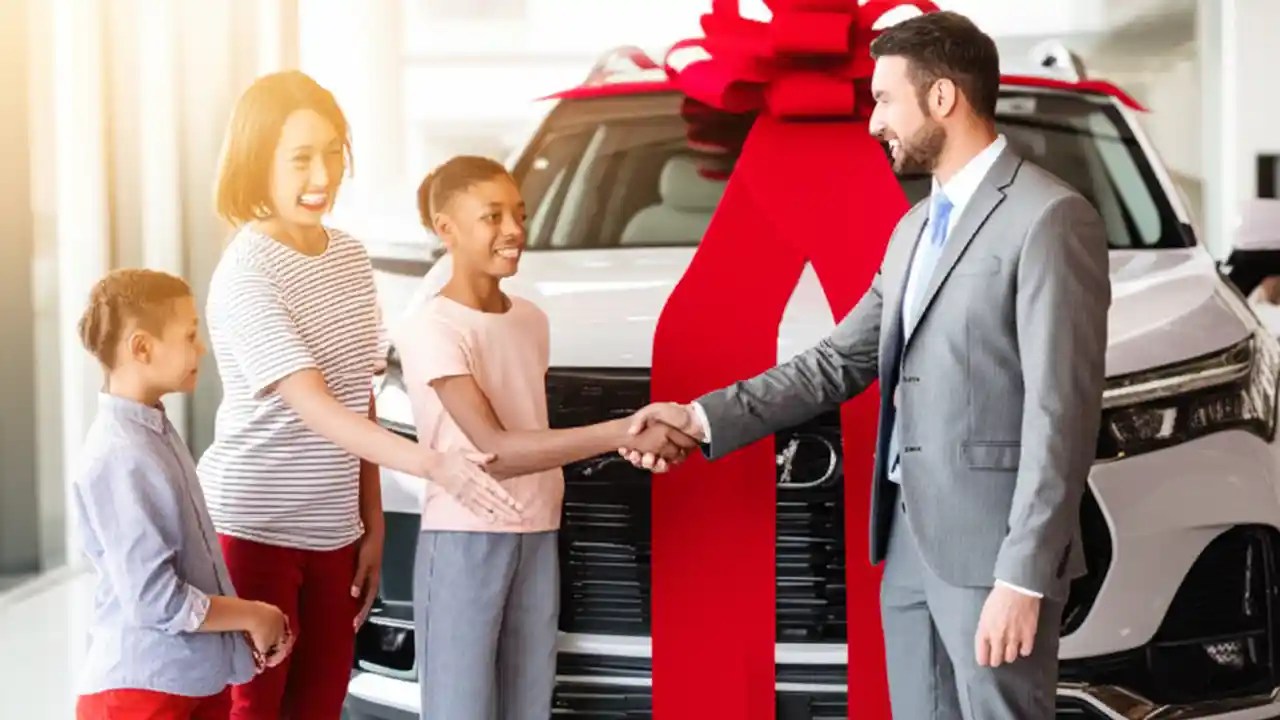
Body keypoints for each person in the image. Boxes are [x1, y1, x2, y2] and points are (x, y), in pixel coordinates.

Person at [622, 11, 1110, 719]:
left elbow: (1060, 413)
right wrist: (698, 419)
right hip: (909, 543)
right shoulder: (914, 227)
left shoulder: (1050, 218)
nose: (874, 121)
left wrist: (1025, 576)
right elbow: (838, 361)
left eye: (884, 99)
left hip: (991, 554)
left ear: (942, 98)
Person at [199, 72, 521, 720]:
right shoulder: (246, 273)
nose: (322, 175)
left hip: (333, 537)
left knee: (321, 704)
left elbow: (357, 396)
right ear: (257, 162)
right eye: (300, 158)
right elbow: (314, 405)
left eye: (332, 152)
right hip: (252, 530)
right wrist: (433, 464)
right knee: (252, 709)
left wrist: (368, 526)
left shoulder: (347, 256)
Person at [395, 156, 695, 719]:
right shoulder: (431, 326)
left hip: (539, 527)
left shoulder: (530, 318)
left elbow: (531, 427)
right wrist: (617, 432)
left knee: (528, 707)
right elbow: (496, 451)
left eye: (519, 213)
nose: (513, 230)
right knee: (460, 709)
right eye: (491, 216)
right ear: (446, 229)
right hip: (466, 536)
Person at [72, 269, 293, 720]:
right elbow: (155, 598)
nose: (202, 349)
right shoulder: (120, 454)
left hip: (187, 681)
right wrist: (252, 614)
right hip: (143, 694)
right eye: (190, 335)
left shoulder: (152, 430)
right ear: (141, 347)